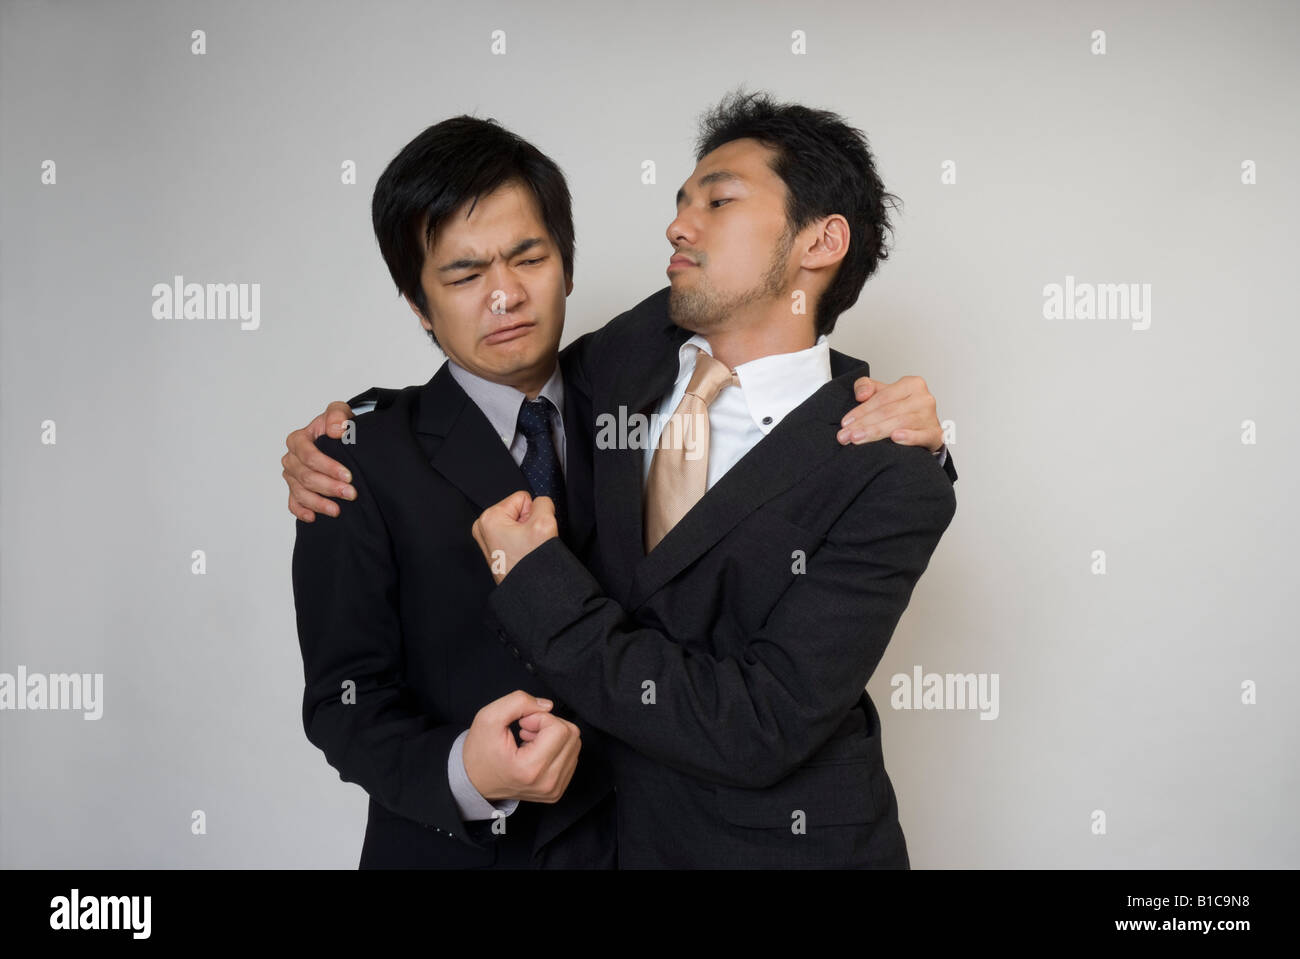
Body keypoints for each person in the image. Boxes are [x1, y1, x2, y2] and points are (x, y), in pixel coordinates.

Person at [288, 90, 958, 867]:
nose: (505, 295)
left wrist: (924, 447)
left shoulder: (871, 449)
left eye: (530, 258)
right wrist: (464, 772)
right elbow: (347, 700)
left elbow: (762, 717)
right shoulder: (360, 452)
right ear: (418, 303)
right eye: (465, 273)